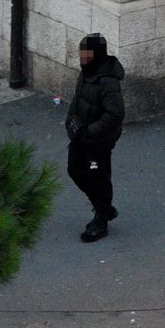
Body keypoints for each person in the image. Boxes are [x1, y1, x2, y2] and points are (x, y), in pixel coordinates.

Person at [65, 33, 125, 242]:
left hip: (98, 143)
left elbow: (115, 114)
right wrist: (71, 120)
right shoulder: (86, 73)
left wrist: (90, 130)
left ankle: (101, 220)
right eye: (82, 53)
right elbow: (77, 99)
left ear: (96, 54)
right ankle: (104, 208)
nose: (83, 57)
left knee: (97, 175)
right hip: (82, 138)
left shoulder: (108, 82)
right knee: (74, 169)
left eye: (87, 54)